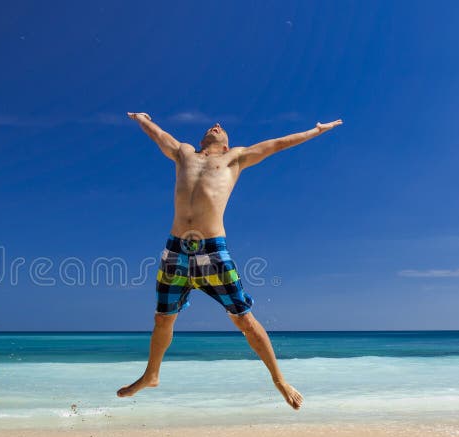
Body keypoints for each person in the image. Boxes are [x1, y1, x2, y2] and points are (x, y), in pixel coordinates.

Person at [117, 112, 343, 409]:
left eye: (222, 128)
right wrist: (143, 120)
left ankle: (279, 381)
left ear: (226, 146)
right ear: (203, 140)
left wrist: (316, 131)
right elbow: (160, 136)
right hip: (176, 250)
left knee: (244, 319)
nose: (217, 125)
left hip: (213, 250)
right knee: (162, 317)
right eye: (213, 126)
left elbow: (278, 144)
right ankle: (151, 374)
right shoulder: (185, 153)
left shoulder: (236, 158)